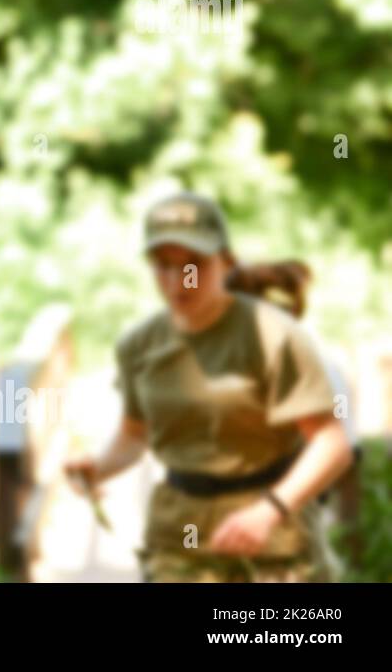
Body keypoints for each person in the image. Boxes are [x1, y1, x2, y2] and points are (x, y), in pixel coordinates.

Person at [65, 192, 355, 582]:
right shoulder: (140, 344)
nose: (177, 281)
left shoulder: (272, 335)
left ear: (226, 262)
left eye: (193, 264)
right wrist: (98, 468)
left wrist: (269, 510)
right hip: (180, 534)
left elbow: (331, 444)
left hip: (272, 532)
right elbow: (135, 435)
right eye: (163, 265)